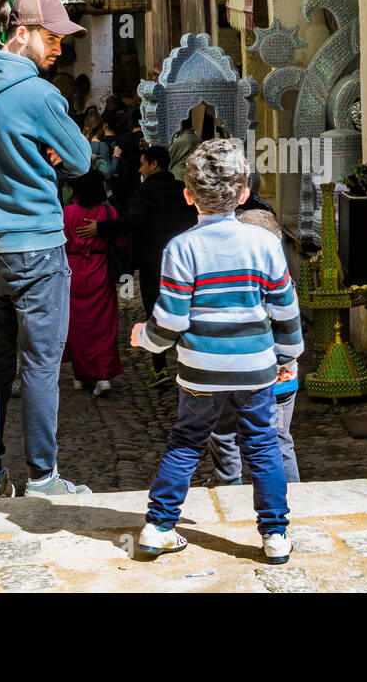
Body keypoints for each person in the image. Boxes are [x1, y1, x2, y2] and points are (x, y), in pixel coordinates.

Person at [131, 139, 303, 564]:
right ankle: (275, 535)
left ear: (188, 195)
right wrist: (286, 357)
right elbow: (285, 309)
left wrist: (143, 338)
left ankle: (158, 526)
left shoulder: (181, 248)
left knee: (186, 442)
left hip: (200, 371)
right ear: (244, 193)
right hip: (255, 368)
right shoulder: (264, 245)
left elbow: (170, 321)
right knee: (262, 445)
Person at [0, 0, 94, 498]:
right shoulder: (38, 94)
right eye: (51, 38)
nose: (58, 50)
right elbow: (81, 161)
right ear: (22, 33)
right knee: (39, 363)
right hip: (34, 242)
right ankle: (42, 477)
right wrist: (52, 153)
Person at [74, 145, 196, 388]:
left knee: (155, 314)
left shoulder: (145, 191)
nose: (140, 169)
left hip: (154, 264)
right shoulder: (182, 189)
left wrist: (101, 228)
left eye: (142, 164)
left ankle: (160, 370)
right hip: (184, 262)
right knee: (186, 310)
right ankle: (191, 365)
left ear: (154, 164)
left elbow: (133, 221)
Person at [208, 208, 300, 485]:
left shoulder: (231, 282)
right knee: (279, 441)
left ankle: (231, 494)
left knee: (225, 437)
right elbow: (290, 333)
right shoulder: (284, 283)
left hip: (236, 376)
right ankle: (293, 502)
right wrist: (284, 363)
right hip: (281, 378)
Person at [62, 170, 124, 397]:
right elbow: (121, 239)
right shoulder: (108, 211)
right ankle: (103, 375)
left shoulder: (67, 213)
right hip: (101, 273)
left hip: (73, 274)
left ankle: (80, 374)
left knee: (77, 326)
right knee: (104, 326)